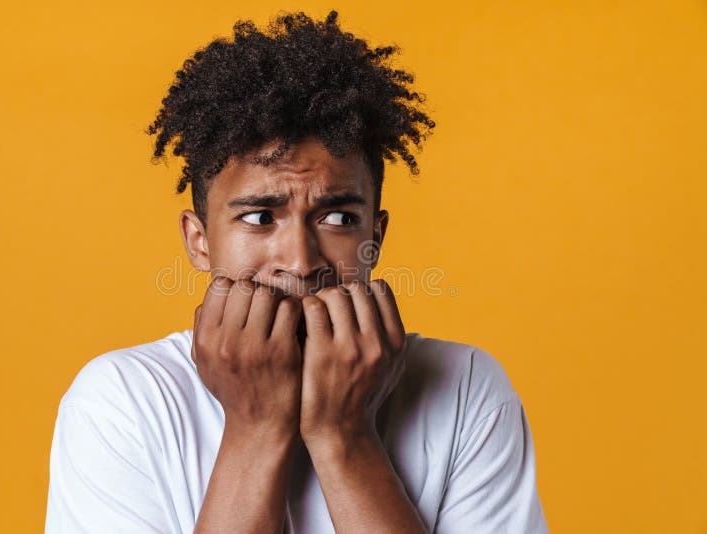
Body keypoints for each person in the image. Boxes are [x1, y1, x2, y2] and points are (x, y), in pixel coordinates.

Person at [45, 11, 548, 533]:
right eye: (260, 217)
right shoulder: (122, 404)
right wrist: (256, 425)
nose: (302, 263)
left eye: (337, 218)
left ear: (373, 238)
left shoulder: (465, 390)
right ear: (198, 241)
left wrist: (344, 435)